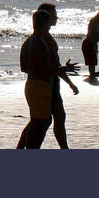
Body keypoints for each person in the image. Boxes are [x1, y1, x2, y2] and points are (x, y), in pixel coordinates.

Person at [16, 9, 78, 149]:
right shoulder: (39, 42)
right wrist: (63, 69)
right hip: (39, 86)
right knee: (40, 122)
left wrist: (57, 70)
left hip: (34, 85)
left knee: (42, 121)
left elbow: (25, 68)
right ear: (46, 24)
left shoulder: (30, 41)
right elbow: (43, 69)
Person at [36, 3, 80, 148]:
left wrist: (68, 81)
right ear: (47, 17)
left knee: (52, 119)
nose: (57, 17)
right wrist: (70, 82)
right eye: (54, 15)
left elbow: (55, 66)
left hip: (52, 82)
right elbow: (54, 66)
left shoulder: (45, 37)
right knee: (42, 121)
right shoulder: (43, 39)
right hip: (47, 85)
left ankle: (64, 148)